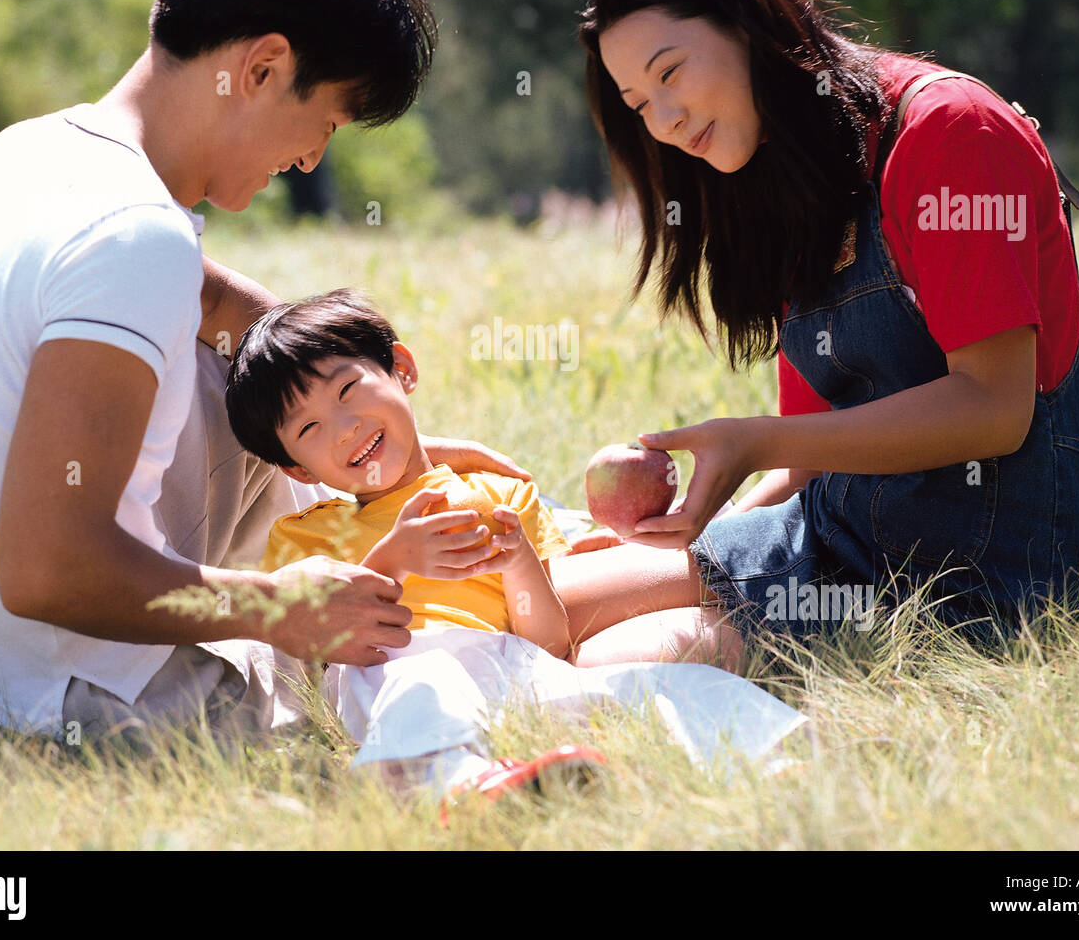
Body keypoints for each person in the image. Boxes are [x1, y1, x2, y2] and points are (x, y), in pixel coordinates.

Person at [0, 0, 525, 742]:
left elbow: (224, 309)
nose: (310, 157)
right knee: (397, 715)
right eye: (323, 119)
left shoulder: (32, 153)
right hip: (35, 690)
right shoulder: (134, 238)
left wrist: (395, 448)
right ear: (261, 69)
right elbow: (43, 569)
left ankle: (379, 544)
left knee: (256, 372)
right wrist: (277, 606)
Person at [567, 0, 1079, 636]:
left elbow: (994, 409)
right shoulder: (791, 175)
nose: (664, 121)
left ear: (748, 23)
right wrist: (693, 532)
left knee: (621, 654)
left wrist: (755, 441)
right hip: (838, 535)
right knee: (548, 608)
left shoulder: (951, 131)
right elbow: (807, 454)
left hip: (992, 573)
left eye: (669, 73)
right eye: (639, 105)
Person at [222, 288, 805, 793]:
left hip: (507, 666)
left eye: (348, 390)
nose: (344, 427)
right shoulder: (308, 532)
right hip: (392, 674)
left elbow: (550, 641)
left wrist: (521, 563)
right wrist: (392, 561)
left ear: (402, 369)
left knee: (655, 686)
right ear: (297, 470)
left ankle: (767, 758)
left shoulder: (498, 497)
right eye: (308, 428)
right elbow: (312, 660)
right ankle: (438, 785)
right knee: (425, 677)